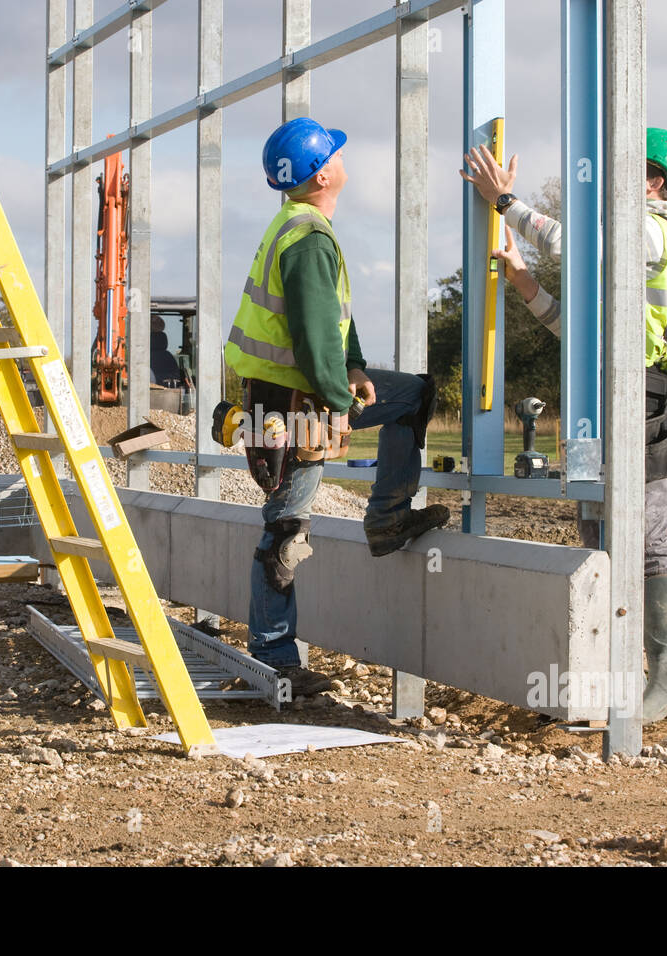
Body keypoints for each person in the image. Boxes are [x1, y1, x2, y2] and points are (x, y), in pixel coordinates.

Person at [460, 128, 667, 723]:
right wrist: (524, 283)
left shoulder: (649, 231)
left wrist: (505, 205)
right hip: (608, 399)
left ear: (654, 181)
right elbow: (579, 335)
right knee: (596, 532)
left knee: (642, 541)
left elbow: (575, 245)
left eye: (627, 170)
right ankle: (608, 678)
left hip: (636, 401)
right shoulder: (628, 240)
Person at [225, 117, 447, 693]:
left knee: (284, 523)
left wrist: (352, 368)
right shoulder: (311, 238)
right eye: (336, 153)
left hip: (271, 398)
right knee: (286, 528)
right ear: (322, 173)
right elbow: (312, 332)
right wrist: (335, 400)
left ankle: (385, 520)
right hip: (296, 402)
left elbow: (331, 320)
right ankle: (275, 656)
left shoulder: (294, 226)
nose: (345, 157)